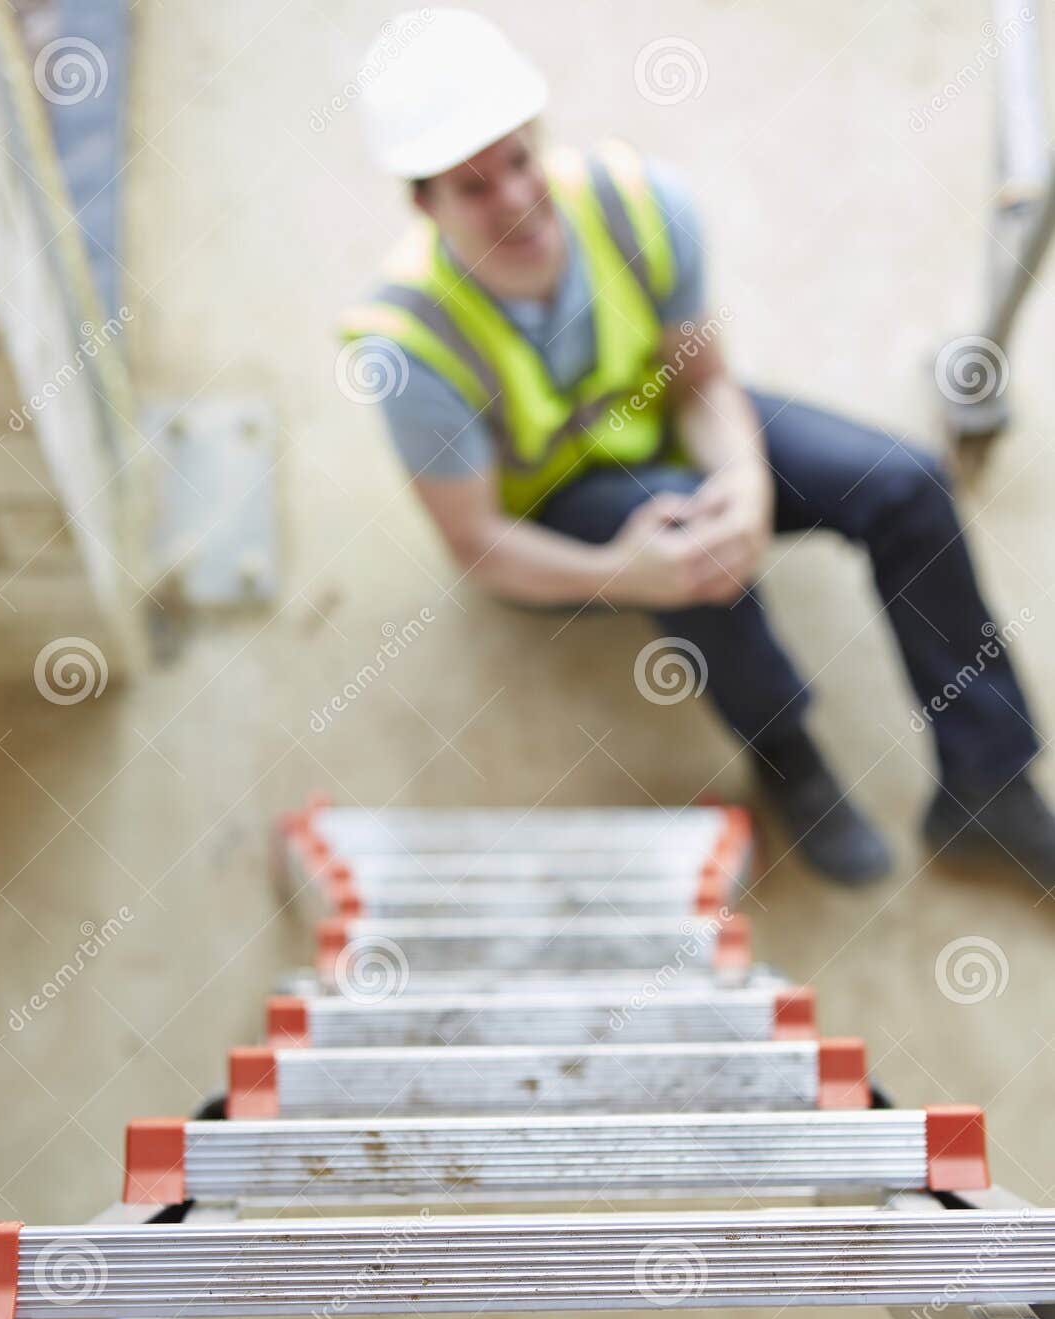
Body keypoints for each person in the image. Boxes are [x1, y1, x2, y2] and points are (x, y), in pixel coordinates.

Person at [341, 8, 1055, 887]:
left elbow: (704, 383)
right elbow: (476, 542)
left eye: (519, 162)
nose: (516, 200)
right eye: (473, 187)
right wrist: (622, 575)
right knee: (686, 548)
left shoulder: (641, 207)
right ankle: (788, 754)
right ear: (423, 202)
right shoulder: (407, 348)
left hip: (671, 424)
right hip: (558, 515)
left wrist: (747, 485)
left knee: (903, 485)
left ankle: (987, 783)